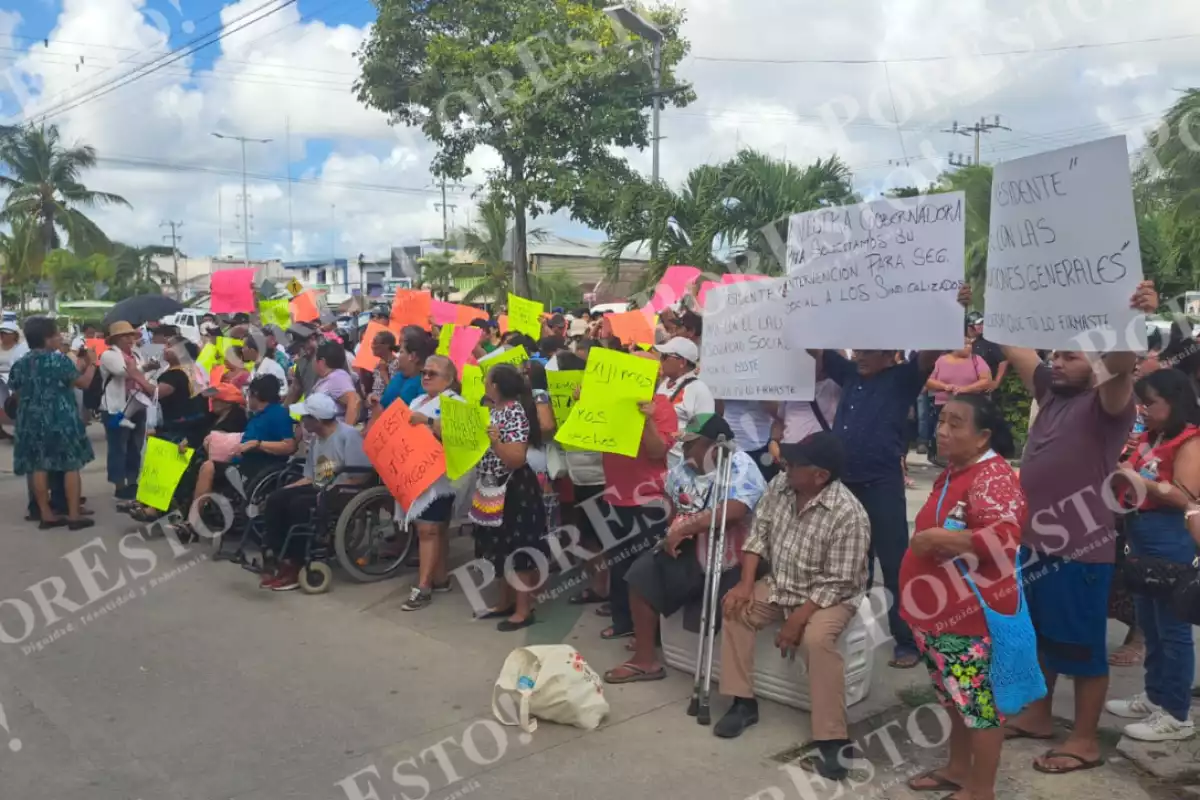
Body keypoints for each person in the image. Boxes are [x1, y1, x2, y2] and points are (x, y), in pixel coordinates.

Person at [1000, 281, 1157, 775]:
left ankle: (1085, 741)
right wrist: (991, 297)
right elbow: (1012, 343)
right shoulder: (1050, 393)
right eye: (1056, 355)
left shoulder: (1108, 405)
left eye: (1070, 357)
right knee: (1041, 639)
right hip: (1034, 545)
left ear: (1095, 365)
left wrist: (1132, 321)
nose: (1057, 362)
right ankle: (1038, 718)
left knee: (1083, 651)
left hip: (1078, 550)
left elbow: (1122, 367)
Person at [714, 432, 869, 782]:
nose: (786, 466)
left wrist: (796, 621)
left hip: (830, 595)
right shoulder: (782, 485)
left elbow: (839, 581)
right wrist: (746, 582)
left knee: (816, 641)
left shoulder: (849, 513)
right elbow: (759, 535)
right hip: (783, 582)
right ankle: (743, 702)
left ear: (820, 476)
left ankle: (832, 737)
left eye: (796, 463)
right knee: (735, 608)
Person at [899, 394, 1026, 799]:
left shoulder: (993, 476)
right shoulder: (957, 469)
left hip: (967, 618)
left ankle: (981, 789)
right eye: (941, 421)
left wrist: (941, 539)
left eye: (956, 424)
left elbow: (1005, 539)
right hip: (937, 614)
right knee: (955, 700)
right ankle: (957, 769)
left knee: (979, 708)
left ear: (983, 435)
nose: (942, 430)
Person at [604, 413, 767, 684]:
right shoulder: (684, 466)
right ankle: (645, 660)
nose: (685, 449)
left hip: (735, 555)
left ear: (714, 446)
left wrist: (687, 528)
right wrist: (673, 532)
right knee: (641, 573)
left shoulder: (740, 464)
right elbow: (672, 500)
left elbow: (736, 510)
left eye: (692, 443)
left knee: (729, 603)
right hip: (694, 549)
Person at [815, 347, 941, 668]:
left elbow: (930, 355)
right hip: (846, 486)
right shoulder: (849, 374)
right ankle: (851, 630)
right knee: (852, 562)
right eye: (857, 350)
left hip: (882, 485)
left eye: (868, 352)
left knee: (896, 563)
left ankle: (907, 640)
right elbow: (815, 346)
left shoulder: (901, 379)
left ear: (889, 355)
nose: (859, 356)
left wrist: (953, 307)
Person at [1105, 368, 1200, 742]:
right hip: (1142, 534)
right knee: (1150, 621)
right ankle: (1155, 694)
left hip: (1169, 536)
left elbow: (1184, 496)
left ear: (1174, 402)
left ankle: (1176, 714)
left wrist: (1141, 482)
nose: (1143, 408)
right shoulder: (1151, 436)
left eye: (1151, 402)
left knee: (1173, 627)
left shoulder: (1190, 441)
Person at [600, 351, 677, 640]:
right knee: (618, 564)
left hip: (649, 499)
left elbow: (658, 452)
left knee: (646, 568)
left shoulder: (662, 407)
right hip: (614, 495)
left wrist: (647, 421)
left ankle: (650, 633)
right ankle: (623, 622)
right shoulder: (609, 403)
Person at [260, 394, 372, 591]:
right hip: (323, 485)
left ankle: (297, 562)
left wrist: (333, 486)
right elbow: (312, 476)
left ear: (317, 420)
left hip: (346, 489)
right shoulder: (317, 441)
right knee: (277, 499)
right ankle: (280, 556)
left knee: (299, 505)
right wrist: (287, 489)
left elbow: (360, 475)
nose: (302, 421)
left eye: (305, 418)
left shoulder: (348, 436)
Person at [468, 364, 547, 630]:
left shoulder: (514, 412)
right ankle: (504, 602)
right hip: (490, 486)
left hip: (513, 489)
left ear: (496, 386)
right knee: (498, 547)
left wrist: (495, 443)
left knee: (518, 550)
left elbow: (515, 458)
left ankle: (523, 610)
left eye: (486, 381)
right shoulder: (491, 411)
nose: (482, 384)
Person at [10, 316, 97, 530]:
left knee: (38, 465)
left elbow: (17, 393)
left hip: (30, 420)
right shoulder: (58, 361)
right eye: (57, 334)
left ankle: (46, 515)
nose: (60, 338)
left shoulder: (21, 364)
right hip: (61, 419)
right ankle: (74, 515)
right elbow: (84, 383)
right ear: (47, 339)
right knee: (70, 465)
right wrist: (93, 364)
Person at [400, 355, 461, 611]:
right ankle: (440, 577)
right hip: (415, 476)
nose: (425, 376)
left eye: (432, 373)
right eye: (424, 372)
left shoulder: (456, 403)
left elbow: (459, 433)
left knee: (429, 531)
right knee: (435, 529)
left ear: (448, 380)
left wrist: (426, 422)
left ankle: (423, 587)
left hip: (440, 480)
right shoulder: (416, 400)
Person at [100, 321, 155, 502]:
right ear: (115, 339)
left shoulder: (137, 354)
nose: (130, 339)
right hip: (116, 408)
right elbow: (123, 372)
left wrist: (145, 372)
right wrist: (145, 369)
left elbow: (141, 375)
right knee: (118, 446)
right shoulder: (109, 355)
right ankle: (119, 485)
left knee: (135, 445)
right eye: (125, 336)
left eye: (131, 335)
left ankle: (132, 482)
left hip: (137, 404)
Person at [925, 334, 992, 465]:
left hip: (968, 404)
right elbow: (928, 380)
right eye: (966, 344)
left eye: (970, 344)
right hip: (943, 403)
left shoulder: (976, 360)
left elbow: (986, 381)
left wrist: (965, 389)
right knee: (941, 430)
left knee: (962, 431)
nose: (969, 347)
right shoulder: (941, 360)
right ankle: (939, 455)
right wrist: (945, 386)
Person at [655, 336, 715, 466]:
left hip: (679, 463)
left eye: (665, 357)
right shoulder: (664, 383)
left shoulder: (698, 389)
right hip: (660, 458)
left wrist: (677, 435)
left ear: (682, 361)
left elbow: (704, 428)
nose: (661, 361)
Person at [719, 400, 779, 482]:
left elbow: (778, 411)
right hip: (731, 446)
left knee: (765, 488)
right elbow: (717, 406)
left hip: (761, 445)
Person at [380, 328, 434, 410]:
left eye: (401, 352)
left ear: (413, 356)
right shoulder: (399, 376)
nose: (397, 356)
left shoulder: (426, 384)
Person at [311, 340, 360, 424]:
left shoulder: (338, 377)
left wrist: (345, 432)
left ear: (322, 361)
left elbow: (355, 401)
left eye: (314, 357)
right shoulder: (328, 378)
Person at [967, 311, 1009, 395]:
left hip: (984, 390)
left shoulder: (989, 342)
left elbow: (1003, 361)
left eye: (983, 323)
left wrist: (996, 382)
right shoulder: (962, 342)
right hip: (964, 388)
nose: (982, 326)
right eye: (978, 324)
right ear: (970, 326)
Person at [0, 320, 29, 437]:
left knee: (16, 401)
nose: (3, 335)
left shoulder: (20, 349)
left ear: (14, 335)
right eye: (2, 333)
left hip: (14, 378)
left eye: (6, 333)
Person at [285, 324, 320, 405]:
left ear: (312, 338)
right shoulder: (302, 362)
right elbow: (296, 387)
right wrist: (283, 410)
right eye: (299, 348)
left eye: (304, 346)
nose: (304, 351)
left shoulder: (330, 355)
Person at [367, 329, 402, 410]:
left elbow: (394, 393)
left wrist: (384, 373)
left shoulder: (397, 364)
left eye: (375, 342)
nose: (372, 346)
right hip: (374, 409)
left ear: (386, 345)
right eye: (372, 342)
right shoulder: (378, 365)